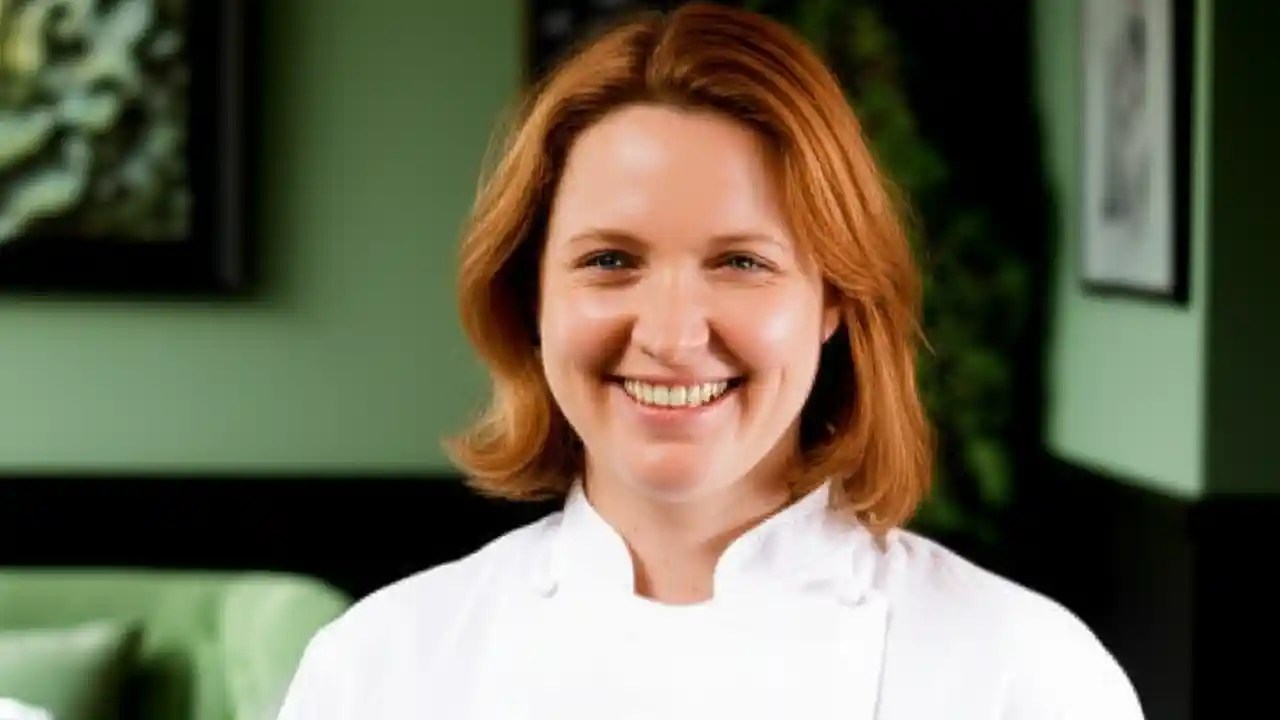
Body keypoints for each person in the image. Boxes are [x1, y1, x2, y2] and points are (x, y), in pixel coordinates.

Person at [276, 3, 1144, 718]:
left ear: (834, 300)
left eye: (741, 262)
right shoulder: (379, 669)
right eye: (610, 260)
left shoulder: (1024, 675)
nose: (671, 333)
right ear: (530, 296)